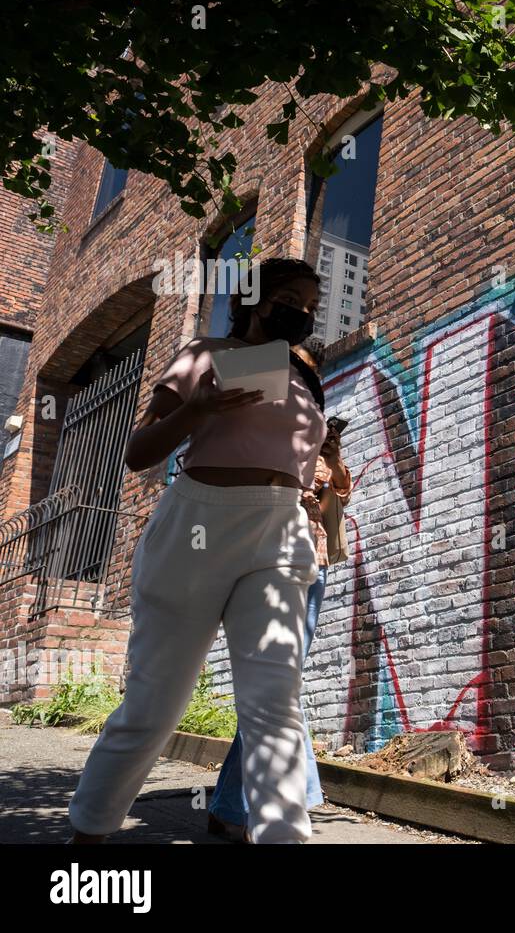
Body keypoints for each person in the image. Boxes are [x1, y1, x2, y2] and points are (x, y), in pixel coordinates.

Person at [66, 257, 328, 844]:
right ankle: (87, 837)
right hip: (198, 522)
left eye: (312, 306)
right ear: (257, 298)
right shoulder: (205, 352)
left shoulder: (304, 372)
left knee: (274, 705)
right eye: (291, 298)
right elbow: (139, 453)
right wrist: (198, 409)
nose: (304, 314)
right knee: (154, 707)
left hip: (281, 532)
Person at [206, 338, 351, 842]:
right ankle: (277, 803)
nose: (301, 379)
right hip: (264, 555)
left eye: (309, 372)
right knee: (275, 686)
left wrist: (327, 458)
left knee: (279, 684)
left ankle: (231, 805)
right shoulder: (253, 406)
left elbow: (337, 493)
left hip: (311, 561)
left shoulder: (311, 427)